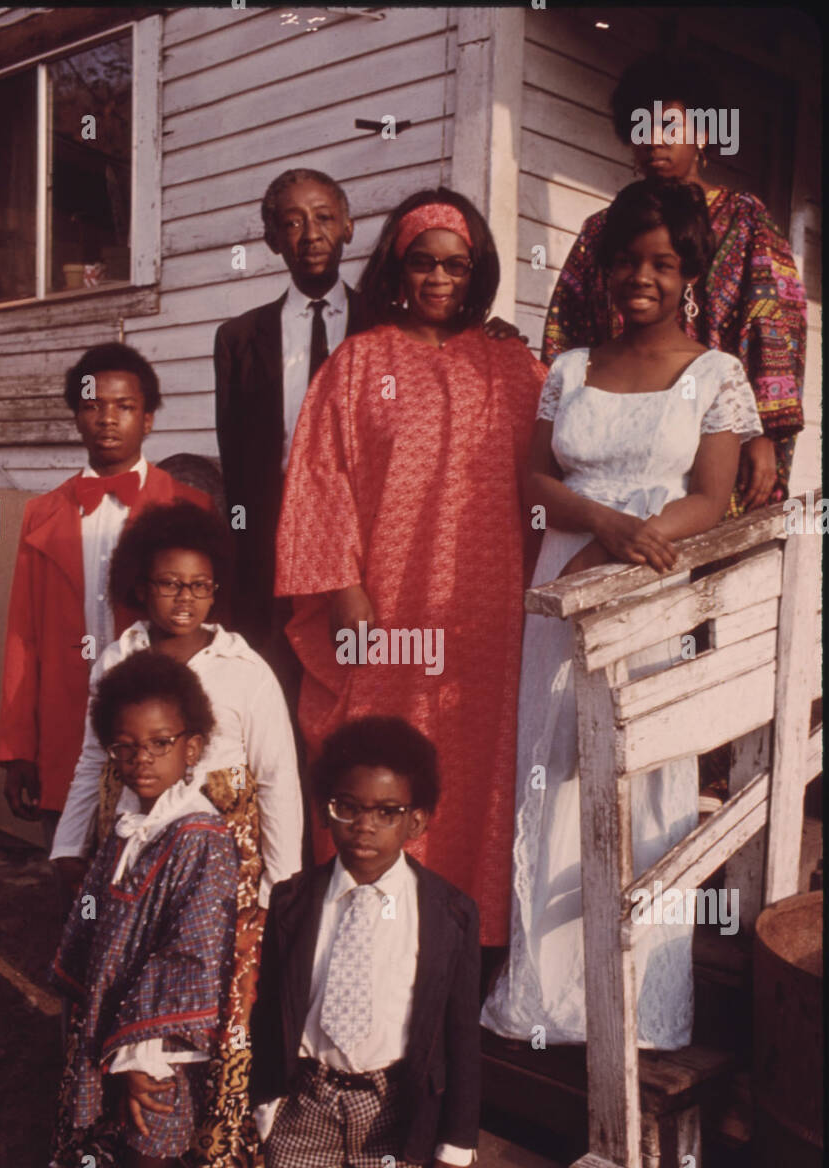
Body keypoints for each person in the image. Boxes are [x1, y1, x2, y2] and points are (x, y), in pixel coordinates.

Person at [481, 181, 762, 1050]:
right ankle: (544, 1001)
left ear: (688, 275)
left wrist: (633, 540)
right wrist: (600, 525)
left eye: (663, 263)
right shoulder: (568, 369)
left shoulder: (716, 374)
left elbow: (713, 497)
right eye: (628, 260)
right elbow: (534, 482)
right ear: (604, 270)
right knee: (554, 762)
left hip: (649, 586)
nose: (643, 276)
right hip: (565, 580)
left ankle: (638, 1004)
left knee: (643, 777)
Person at [274, 188, 547, 951]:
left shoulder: (514, 364)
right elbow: (318, 479)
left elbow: (560, 467)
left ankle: (469, 937)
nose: (438, 279)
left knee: (480, 767)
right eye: (422, 262)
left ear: (477, 272)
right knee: (379, 755)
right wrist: (343, 586)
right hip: (387, 611)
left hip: (488, 614)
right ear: (397, 268)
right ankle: (363, 939)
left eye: (456, 266)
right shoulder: (359, 362)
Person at [49, 501, 303, 1168]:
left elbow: (277, 776)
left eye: (199, 586)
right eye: (167, 584)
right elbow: (96, 761)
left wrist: (279, 892)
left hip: (223, 862)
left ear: (216, 592)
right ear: (141, 586)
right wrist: (67, 847)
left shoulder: (243, 668)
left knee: (221, 1030)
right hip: (136, 839)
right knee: (127, 996)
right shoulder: (119, 655)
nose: (184, 599)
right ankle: (129, 1157)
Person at [249, 716, 480, 1168]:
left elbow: (461, 1037)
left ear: (417, 819)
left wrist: (457, 1144)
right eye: (347, 807)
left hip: (396, 1116)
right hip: (307, 1106)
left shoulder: (449, 914)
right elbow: (270, 1007)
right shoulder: (293, 900)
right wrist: (266, 1103)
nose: (363, 827)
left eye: (387, 812)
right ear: (326, 807)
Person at [541, 49, 807, 518]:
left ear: (703, 133)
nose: (653, 142)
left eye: (669, 127)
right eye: (640, 130)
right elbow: (568, 329)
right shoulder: (601, 231)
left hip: (718, 441)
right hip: (621, 445)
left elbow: (775, 330)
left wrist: (761, 431)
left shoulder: (746, 221)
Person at [49, 650, 239, 1168]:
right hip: (119, 1041)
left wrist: (142, 1061)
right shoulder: (132, 826)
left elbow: (191, 953)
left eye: (161, 743)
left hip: (159, 1060)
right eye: (126, 748)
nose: (143, 760)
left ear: (195, 745)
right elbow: (98, 917)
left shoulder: (200, 838)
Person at [0, 342, 212, 851]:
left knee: (155, 874)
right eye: (92, 406)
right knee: (73, 875)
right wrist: (17, 750)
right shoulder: (41, 515)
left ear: (149, 419)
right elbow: (22, 639)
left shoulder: (189, 506)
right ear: (76, 417)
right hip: (66, 726)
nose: (107, 420)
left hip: (157, 730)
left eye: (125, 406)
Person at [214, 168, 367, 666]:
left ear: (348, 226)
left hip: (368, 529)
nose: (312, 234)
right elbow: (237, 465)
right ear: (272, 238)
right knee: (280, 669)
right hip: (275, 532)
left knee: (361, 668)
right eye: (293, 223)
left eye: (324, 217)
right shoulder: (239, 339)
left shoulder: (386, 323)